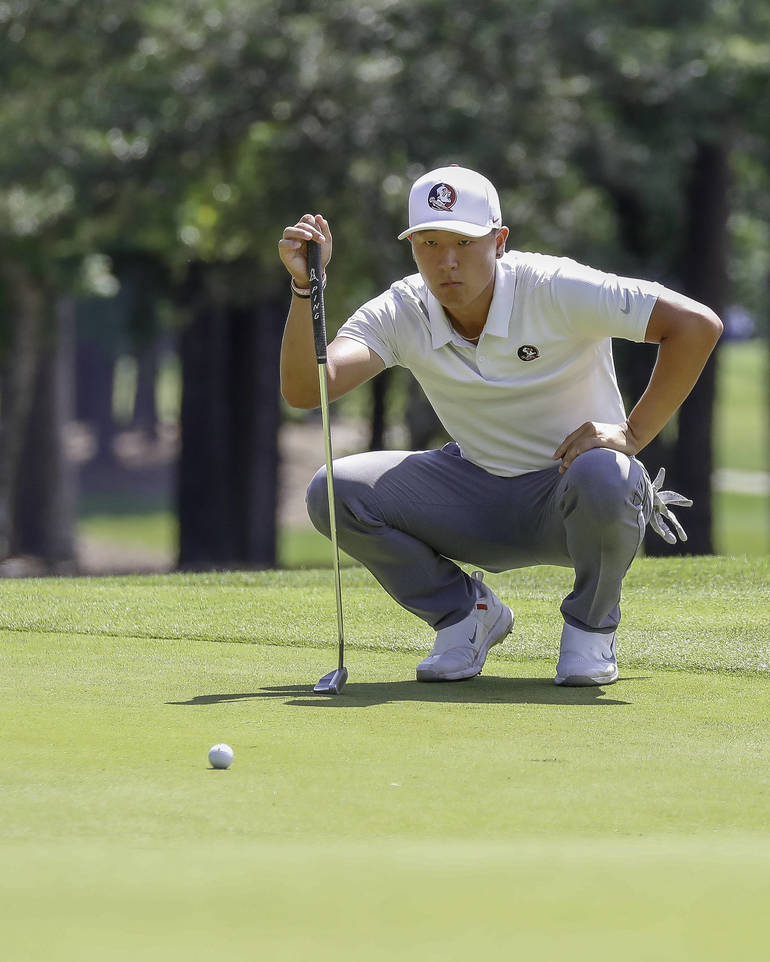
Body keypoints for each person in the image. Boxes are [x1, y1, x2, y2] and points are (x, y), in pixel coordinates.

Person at [277, 166, 722, 686]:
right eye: (429, 242)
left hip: (574, 497)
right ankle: (466, 617)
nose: (447, 261)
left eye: (465, 242)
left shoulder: (555, 287)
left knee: (610, 471)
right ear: (414, 248)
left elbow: (695, 325)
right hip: (474, 496)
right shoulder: (405, 308)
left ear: (500, 241)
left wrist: (633, 435)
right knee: (335, 490)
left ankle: (590, 632)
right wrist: (306, 289)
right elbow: (309, 389)